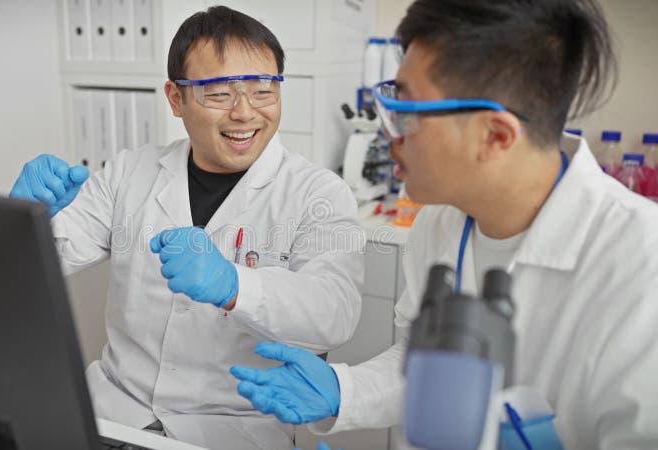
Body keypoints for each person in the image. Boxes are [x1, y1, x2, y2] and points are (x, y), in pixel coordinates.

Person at [230, 0, 658, 448]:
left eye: (407, 111)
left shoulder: (638, 264)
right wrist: (344, 390)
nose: (388, 133)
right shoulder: (440, 223)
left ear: (495, 135)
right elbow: (422, 362)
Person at [9, 6, 364, 450]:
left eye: (263, 90)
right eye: (218, 94)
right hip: (113, 415)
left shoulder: (317, 193)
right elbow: (41, 262)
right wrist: (22, 221)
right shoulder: (129, 172)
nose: (244, 112)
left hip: (232, 431)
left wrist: (237, 286)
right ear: (175, 98)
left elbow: (336, 313)